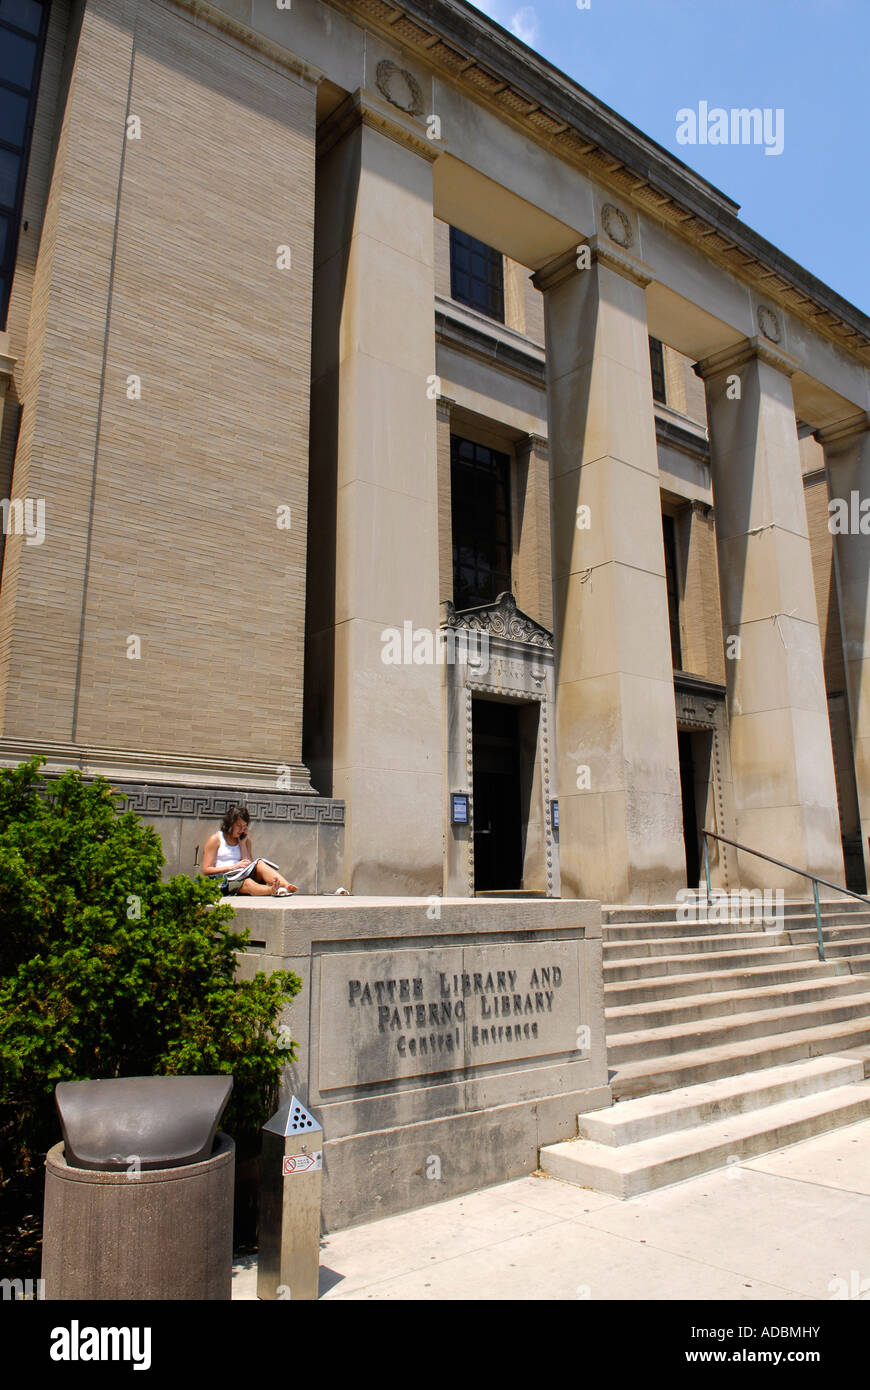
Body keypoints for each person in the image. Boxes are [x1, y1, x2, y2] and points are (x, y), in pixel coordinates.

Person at [201, 805, 298, 896]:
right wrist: (232, 867)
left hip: (243, 873)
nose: (241, 830)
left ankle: (285, 885)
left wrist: (242, 844)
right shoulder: (215, 839)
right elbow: (206, 869)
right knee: (248, 883)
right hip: (226, 878)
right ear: (230, 823)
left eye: (244, 827)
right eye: (239, 826)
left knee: (259, 863)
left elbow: (250, 865)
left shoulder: (245, 840)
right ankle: (271, 890)